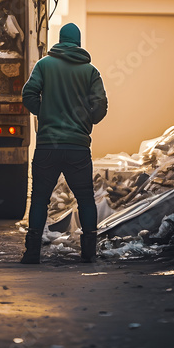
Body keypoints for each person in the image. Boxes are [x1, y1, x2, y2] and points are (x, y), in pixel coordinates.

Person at [20, 23, 107, 264]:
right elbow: (100, 106)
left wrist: (45, 114)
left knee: (39, 199)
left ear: (60, 40)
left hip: (48, 146)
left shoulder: (44, 66)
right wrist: (86, 121)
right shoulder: (90, 71)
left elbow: (28, 95)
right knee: (86, 199)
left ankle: (32, 253)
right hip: (78, 148)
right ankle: (89, 253)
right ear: (78, 42)